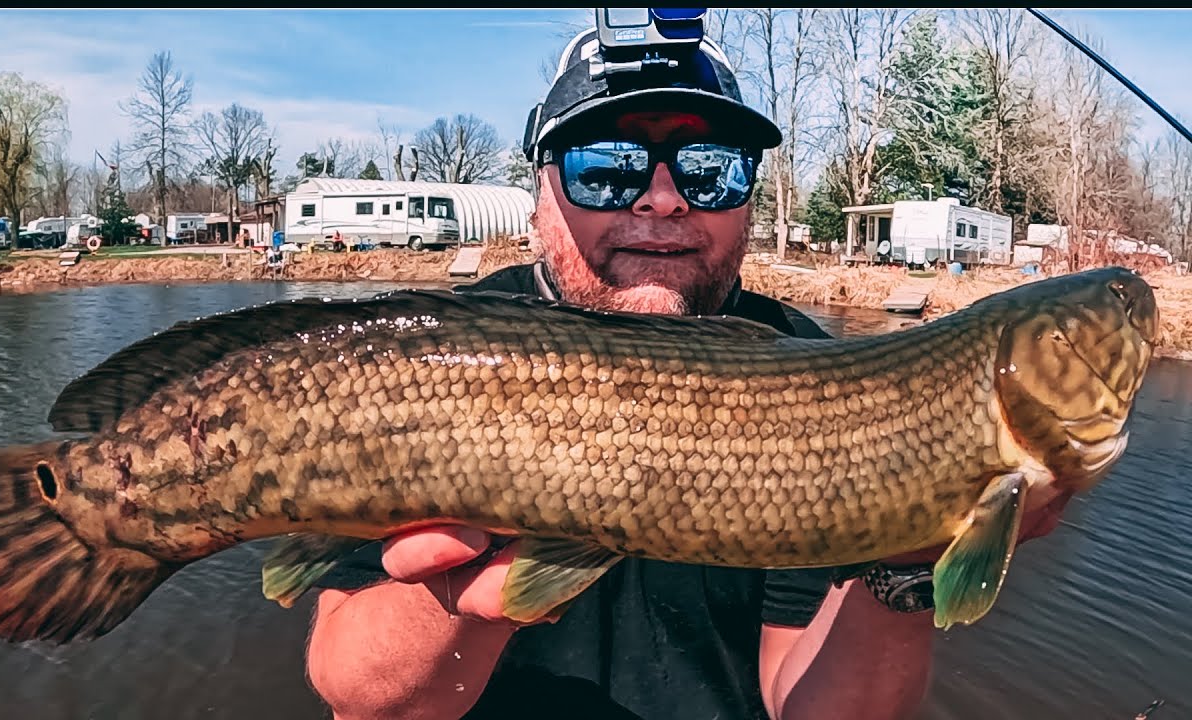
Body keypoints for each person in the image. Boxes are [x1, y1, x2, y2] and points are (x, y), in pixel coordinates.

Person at [302, 25, 1074, 720]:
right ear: (541, 190)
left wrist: (905, 562)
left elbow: (815, 708)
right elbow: (359, 696)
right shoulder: (427, 358)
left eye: (710, 169)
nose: (664, 199)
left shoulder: (817, 376)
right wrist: (467, 604)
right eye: (607, 166)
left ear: (745, 202)